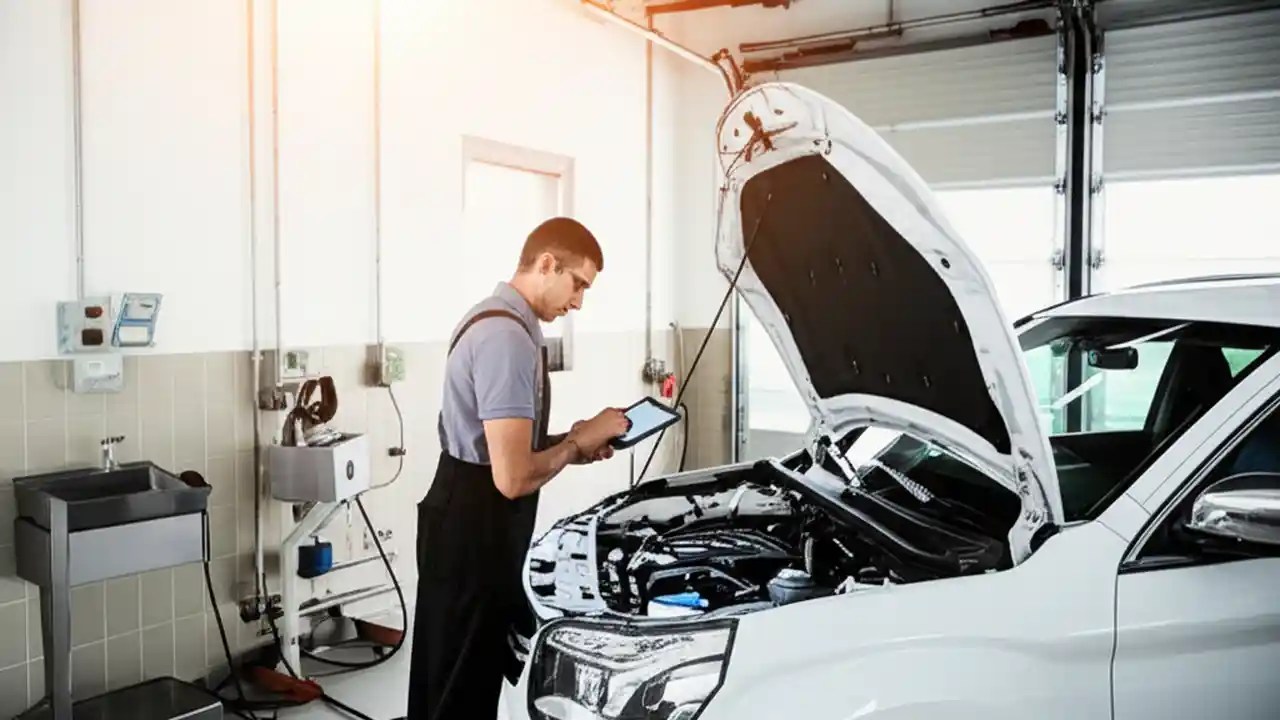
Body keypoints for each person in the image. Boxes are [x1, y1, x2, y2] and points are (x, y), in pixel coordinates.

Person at [407, 217, 630, 719]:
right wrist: (574, 445)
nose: (578, 303)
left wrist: (573, 438)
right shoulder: (507, 338)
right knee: (460, 694)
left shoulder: (495, 320)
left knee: (448, 682)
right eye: (578, 285)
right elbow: (510, 479)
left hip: (466, 517)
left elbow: (502, 451)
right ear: (547, 264)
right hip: (473, 530)